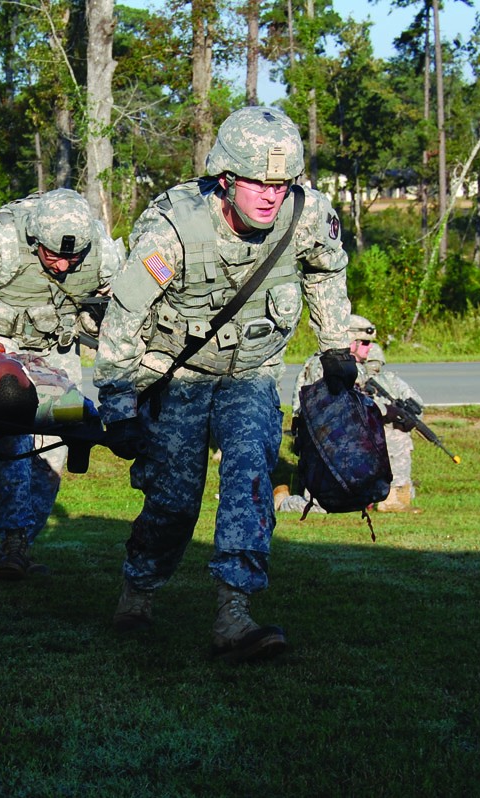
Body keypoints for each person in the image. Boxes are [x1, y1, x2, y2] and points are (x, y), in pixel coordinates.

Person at [93, 106, 355, 663]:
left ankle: (234, 612)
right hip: (180, 376)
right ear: (227, 178)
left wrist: (334, 341)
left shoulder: (306, 217)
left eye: (282, 184)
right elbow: (125, 313)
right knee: (173, 501)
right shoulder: (177, 230)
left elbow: (328, 266)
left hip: (254, 372)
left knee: (251, 479)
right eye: (259, 182)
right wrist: (118, 403)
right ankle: (138, 587)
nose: (271, 196)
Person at [0, 189, 120, 579]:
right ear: (35, 241)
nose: (64, 266)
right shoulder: (2, 245)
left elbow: (122, 310)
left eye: (73, 257)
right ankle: (13, 539)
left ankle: (21, 542)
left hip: (57, 355)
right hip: (3, 354)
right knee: (12, 435)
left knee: (58, 442)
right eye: (53, 256)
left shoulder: (102, 255)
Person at [279, 313, 425, 514]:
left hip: (346, 439)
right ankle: (282, 500)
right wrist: (384, 411)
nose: (369, 348)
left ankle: (392, 493)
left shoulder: (353, 367)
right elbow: (337, 410)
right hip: (324, 444)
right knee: (323, 507)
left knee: (395, 430)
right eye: (364, 343)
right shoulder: (323, 365)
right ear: (350, 340)